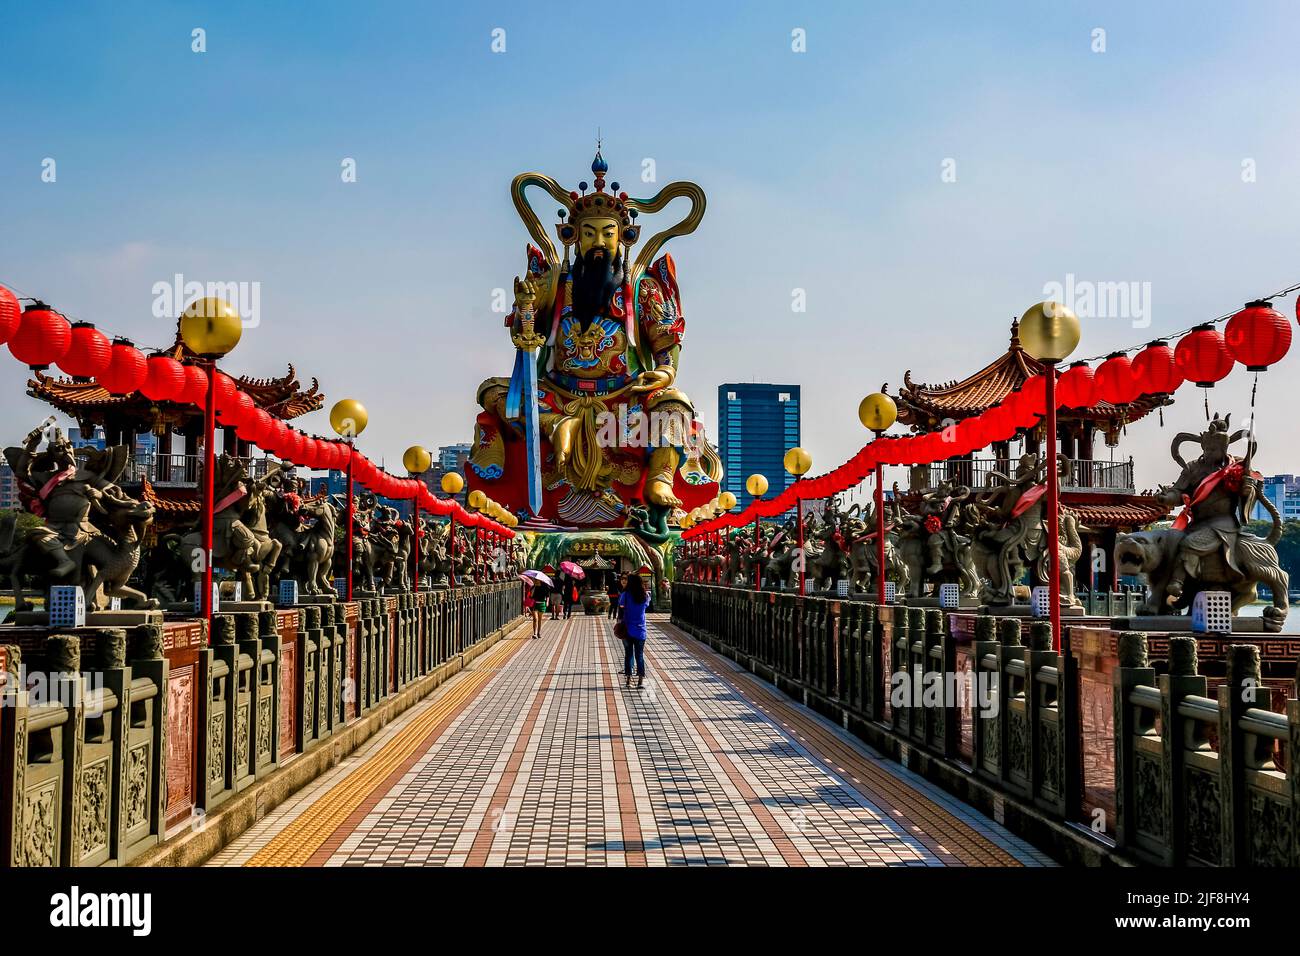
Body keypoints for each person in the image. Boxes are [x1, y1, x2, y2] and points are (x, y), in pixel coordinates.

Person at [617, 573, 651, 689]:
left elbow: (621, 606)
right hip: (641, 630)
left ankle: (628, 681)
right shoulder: (645, 595)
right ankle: (641, 681)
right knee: (639, 655)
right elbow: (646, 605)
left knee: (628, 655)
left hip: (627, 628)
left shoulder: (625, 595)